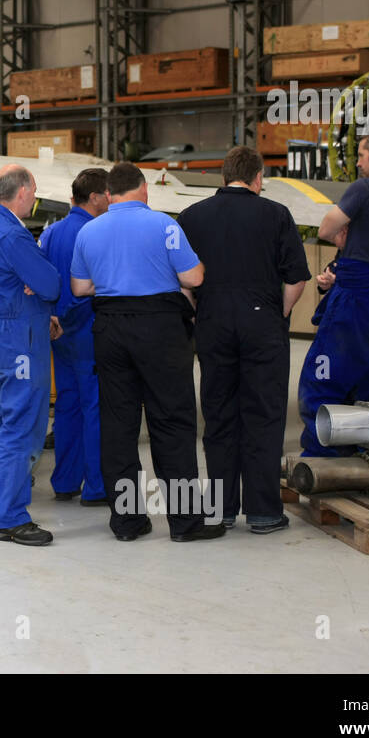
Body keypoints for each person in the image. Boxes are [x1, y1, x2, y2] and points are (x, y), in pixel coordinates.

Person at [70, 163, 225, 543]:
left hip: (109, 329)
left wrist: (114, 284)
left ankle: (127, 522)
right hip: (160, 330)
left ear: (109, 194)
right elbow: (194, 278)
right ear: (143, 189)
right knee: (171, 423)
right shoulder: (163, 225)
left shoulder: (89, 231)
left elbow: (79, 287)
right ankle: (186, 523)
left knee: (118, 427)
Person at [178, 147, 311, 535]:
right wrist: (279, 312)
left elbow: (183, 278)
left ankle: (219, 509)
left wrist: (199, 311)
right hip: (262, 325)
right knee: (264, 415)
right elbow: (297, 277)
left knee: (218, 415)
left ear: (223, 177)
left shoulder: (192, 217)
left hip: (214, 323)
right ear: (257, 179)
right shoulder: (275, 214)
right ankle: (264, 511)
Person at [298, 129, 369, 457]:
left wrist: (339, 242)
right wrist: (339, 269)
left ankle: (324, 460)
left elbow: (325, 229)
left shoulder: (365, 188)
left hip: (356, 305)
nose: (359, 164)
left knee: (322, 379)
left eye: (362, 156)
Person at [0, 164, 61, 546]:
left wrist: (32, 284)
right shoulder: (13, 236)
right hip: (20, 339)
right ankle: (10, 519)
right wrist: (35, 281)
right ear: (21, 192)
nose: (35, 196)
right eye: (34, 189)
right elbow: (51, 283)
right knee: (22, 427)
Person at [39, 168, 109, 506]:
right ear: (95, 197)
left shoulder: (52, 233)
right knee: (94, 408)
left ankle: (65, 481)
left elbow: (44, 279)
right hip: (87, 332)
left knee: (66, 405)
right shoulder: (96, 233)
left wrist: (53, 318)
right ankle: (96, 487)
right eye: (108, 194)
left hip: (57, 333)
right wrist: (69, 319)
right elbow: (89, 290)